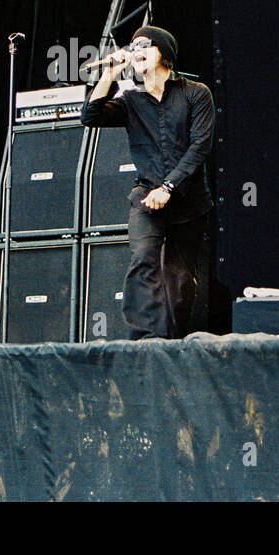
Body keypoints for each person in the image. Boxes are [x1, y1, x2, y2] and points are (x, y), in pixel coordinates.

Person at [80, 25, 214, 339]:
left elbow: (200, 147)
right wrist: (109, 74)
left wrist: (168, 187)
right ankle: (143, 340)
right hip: (146, 196)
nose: (135, 50)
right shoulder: (131, 101)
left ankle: (171, 344)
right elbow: (90, 116)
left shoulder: (197, 93)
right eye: (133, 46)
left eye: (144, 45)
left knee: (180, 283)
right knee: (143, 258)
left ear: (164, 54)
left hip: (189, 200)